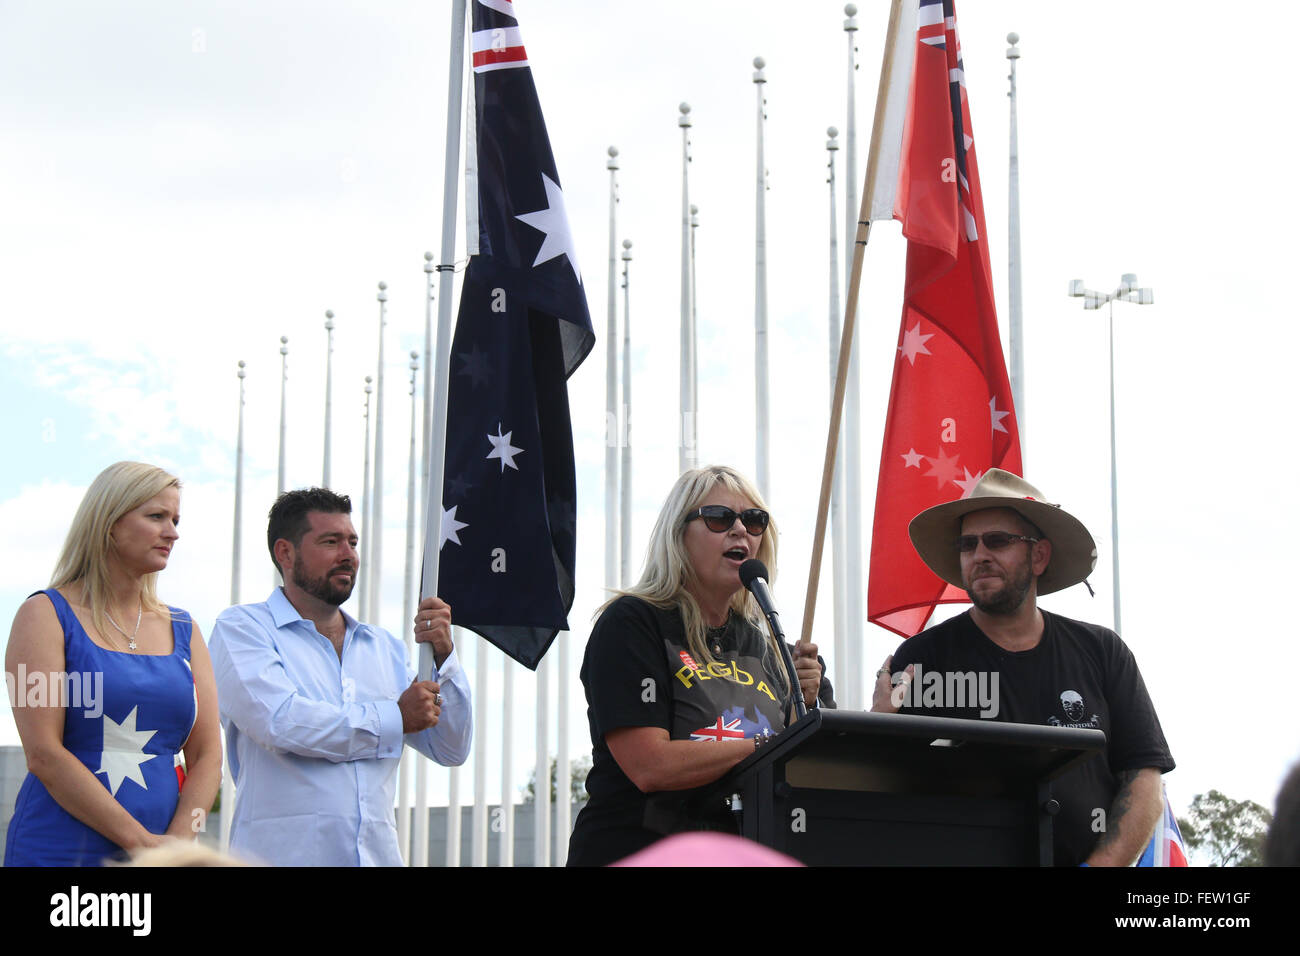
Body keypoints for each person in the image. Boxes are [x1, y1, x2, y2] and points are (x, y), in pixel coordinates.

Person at [871, 468, 1174, 866]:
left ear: (1040, 555)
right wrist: (879, 728)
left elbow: (1143, 776)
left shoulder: (1103, 652)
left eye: (998, 541)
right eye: (968, 544)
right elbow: (885, 789)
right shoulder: (921, 660)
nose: (980, 555)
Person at [567, 465, 832, 867]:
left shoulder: (776, 650)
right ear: (678, 535)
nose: (740, 529)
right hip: (638, 850)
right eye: (719, 518)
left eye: (754, 520)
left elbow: (813, 776)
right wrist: (763, 746)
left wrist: (806, 708)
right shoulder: (633, 624)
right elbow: (650, 766)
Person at [208, 487, 470, 866]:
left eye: (352, 542)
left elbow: (450, 747)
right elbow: (280, 722)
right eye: (331, 542)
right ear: (285, 552)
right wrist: (394, 717)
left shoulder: (386, 649)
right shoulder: (242, 629)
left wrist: (445, 657)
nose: (348, 555)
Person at [4, 462, 221, 866]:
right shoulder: (43, 614)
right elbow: (44, 754)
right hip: (58, 853)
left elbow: (208, 755)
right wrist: (143, 844)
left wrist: (176, 848)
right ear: (108, 522)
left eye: (175, 519)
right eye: (156, 516)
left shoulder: (186, 628)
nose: (172, 533)